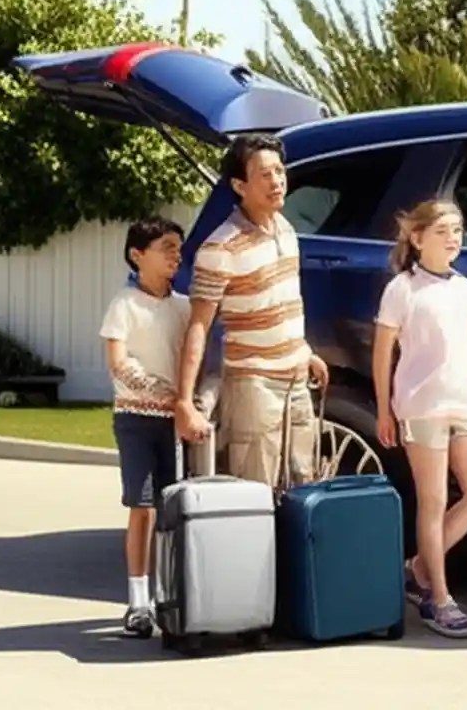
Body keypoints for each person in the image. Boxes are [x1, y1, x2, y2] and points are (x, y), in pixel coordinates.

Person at [373, 198, 467, 639]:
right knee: (432, 501)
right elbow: (382, 353)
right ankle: (439, 596)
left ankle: (418, 567)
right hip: (421, 406)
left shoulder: (465, 289)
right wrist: (384, 409)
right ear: (416, 239)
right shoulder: (403, 289)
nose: (453, 237)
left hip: (462, 406)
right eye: (442, 230)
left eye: (457, 229)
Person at [173, 133, 328, 488]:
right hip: (254, 385)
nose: (276, 181)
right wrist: (185, 401)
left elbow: (285, 304)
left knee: (303, 486)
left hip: (297, 382)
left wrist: (306, 351)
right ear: (239, 185)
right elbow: (198, 326)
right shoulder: (220, 248)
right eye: (264, 174)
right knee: (257, 491)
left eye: (279, 171)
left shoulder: (286, 230)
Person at [99, 216, 191, 637]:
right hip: (137, 419)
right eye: (166, 247)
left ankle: (173, 594)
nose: (175, 255)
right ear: (138, 255)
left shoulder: (185, 307)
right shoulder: (125, 305)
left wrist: (186, 403)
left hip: (177, 424)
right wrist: (165, 394)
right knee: (143, 507)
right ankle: (138, 601)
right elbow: (119, 363)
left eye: (178, 247)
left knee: (176, 510)